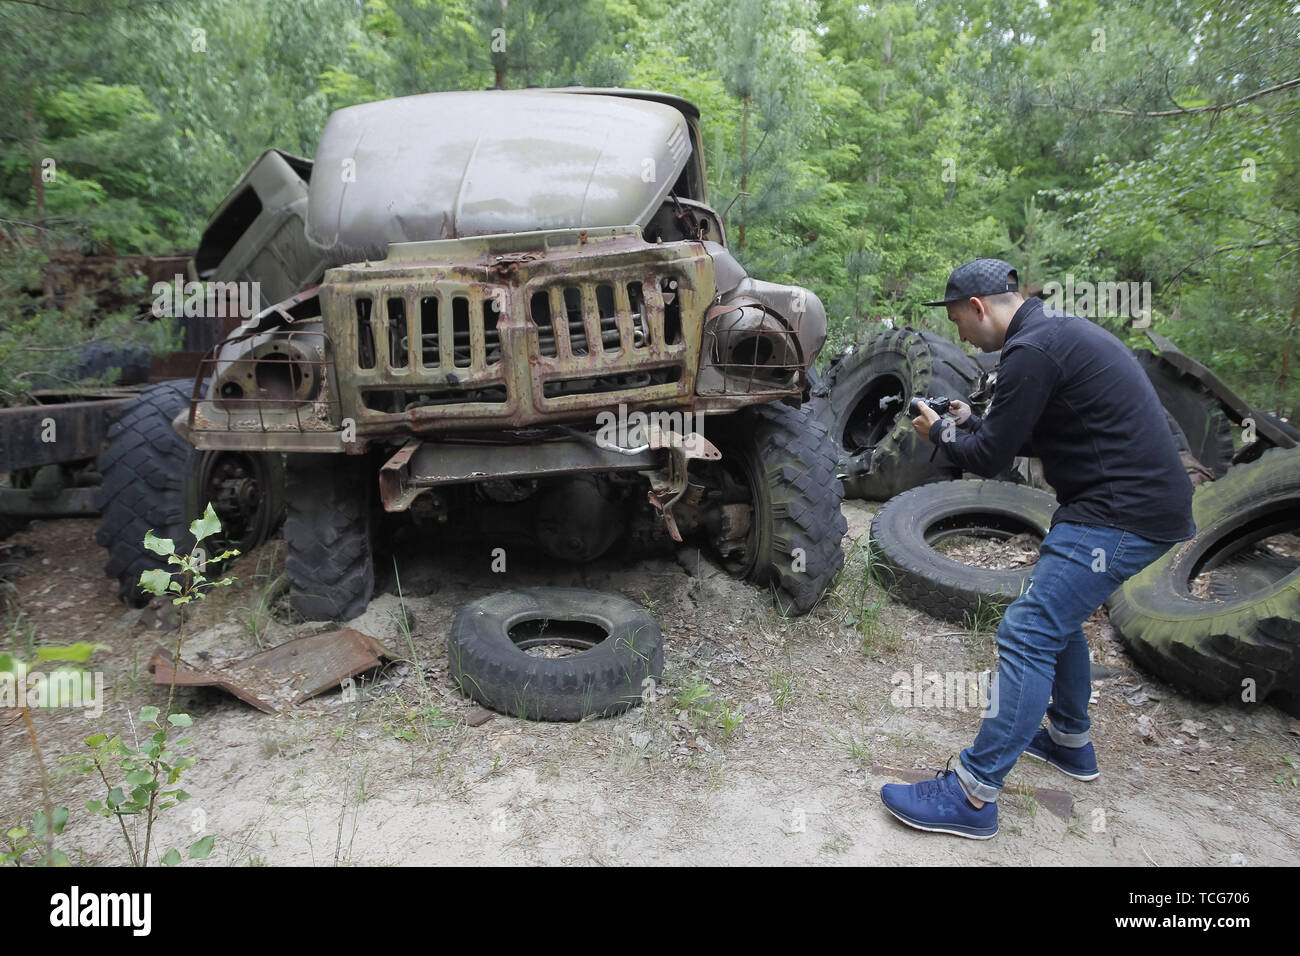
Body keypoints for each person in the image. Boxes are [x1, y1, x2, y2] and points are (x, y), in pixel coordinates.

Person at [878, 258, 1195, 839]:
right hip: (1125, 506)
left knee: (1028, 630)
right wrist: (973, 419)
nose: (960, 336)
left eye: (959, 323)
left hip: (1120, 513)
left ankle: (973, 796)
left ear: (979, 308)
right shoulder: (1051, 336)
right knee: (1058, 616)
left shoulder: (1032, 350)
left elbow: (990, 459)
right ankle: (1070, 741)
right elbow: (1025, 430)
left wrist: (942, 433)